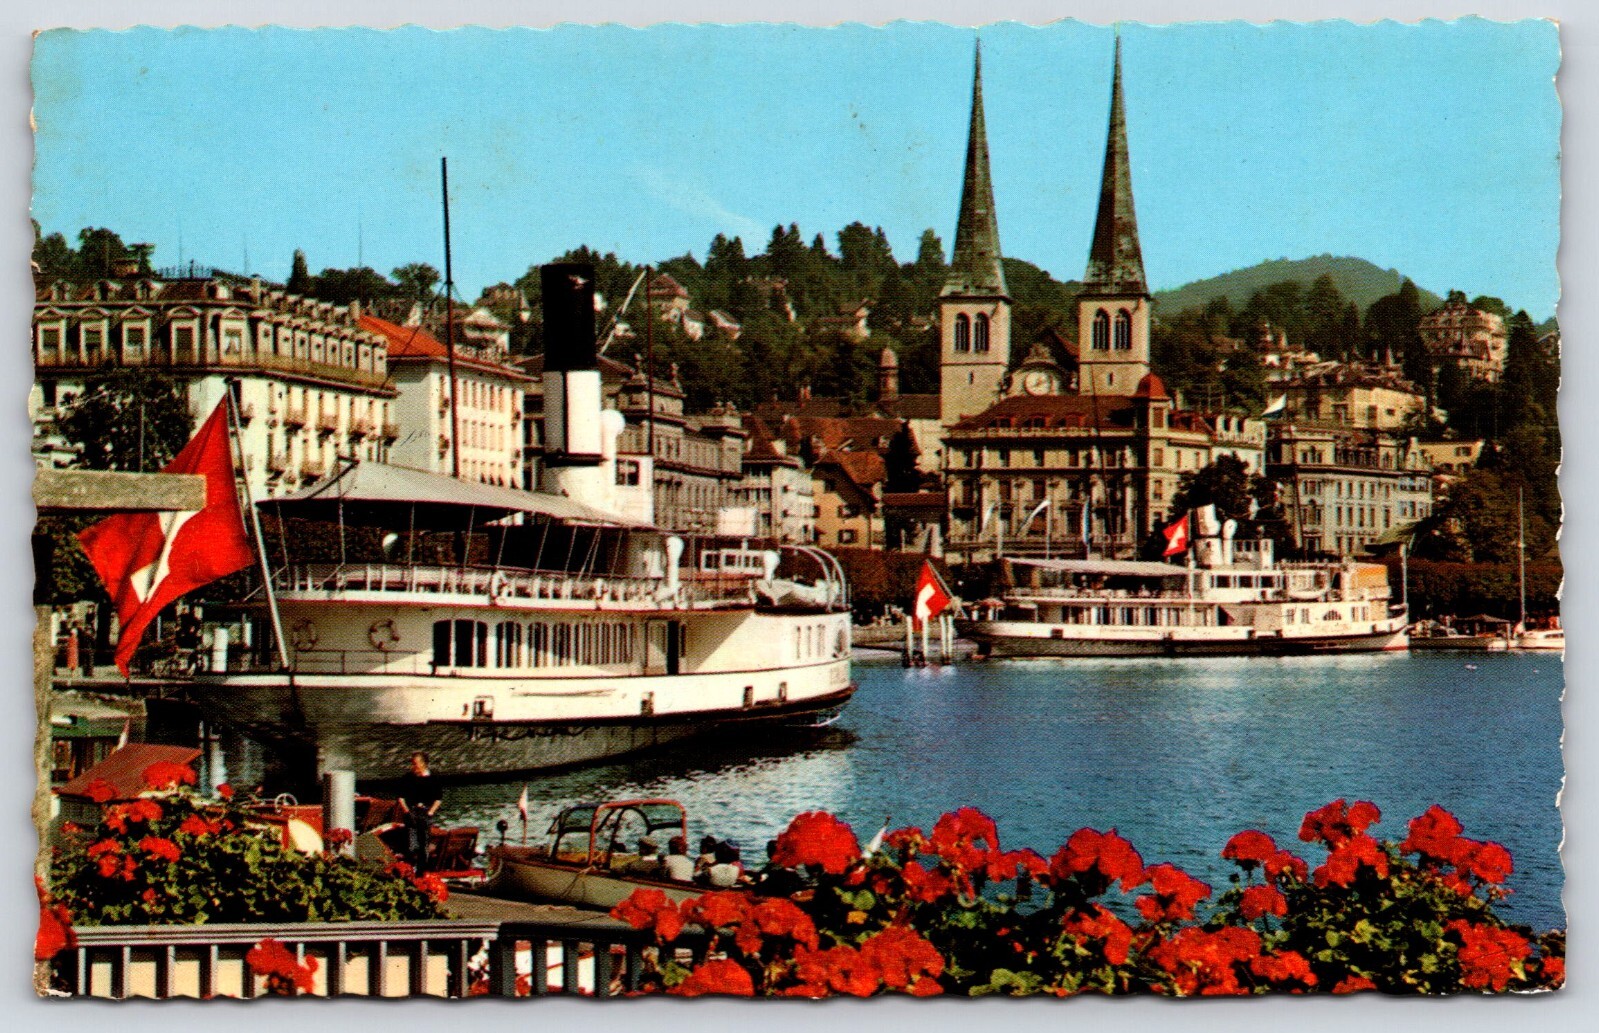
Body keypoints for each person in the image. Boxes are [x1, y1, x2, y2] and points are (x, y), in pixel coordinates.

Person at [396, 752, 442, 872]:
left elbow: (438, 799)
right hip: (411, 811)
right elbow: (401, 798)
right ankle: (410, 868)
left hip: (425, 812)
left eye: (415, 764)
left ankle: (422, 870)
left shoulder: (433, 779)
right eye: (412, 764)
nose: (413, 767)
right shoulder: (408, 778)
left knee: (424, 844)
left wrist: (431, 812)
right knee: (411, 844)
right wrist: (406, 811)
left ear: (423, 764)